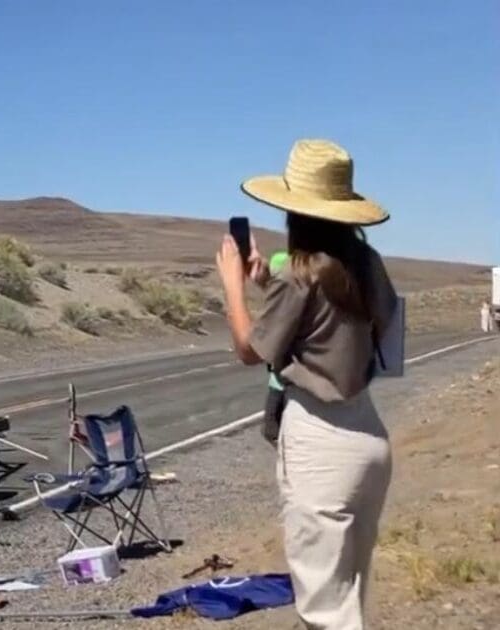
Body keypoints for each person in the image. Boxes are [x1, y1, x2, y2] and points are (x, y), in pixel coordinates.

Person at [217, 139, 398, 630]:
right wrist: (266, 286)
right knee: (350, 595)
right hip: (369, 436)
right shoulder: (365, 264)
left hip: (319, 441)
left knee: (323, 610)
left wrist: (233, 285)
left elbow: (249, 348)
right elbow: (351, 329)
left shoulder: (301, 272)